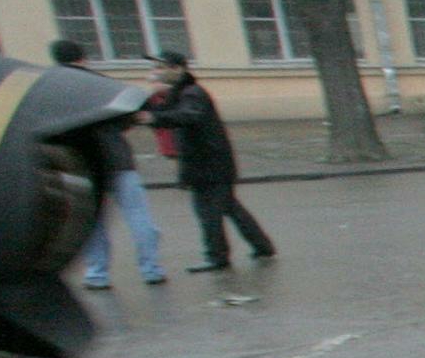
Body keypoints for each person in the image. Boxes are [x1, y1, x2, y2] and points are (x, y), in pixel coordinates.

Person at [54, 40, 165, 291]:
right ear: (83, 58)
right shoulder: (102, 83)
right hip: (118, 159)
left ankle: (97, 274)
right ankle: (151, 269)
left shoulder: (52, 87)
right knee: (138, 216)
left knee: (93, 222)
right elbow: (136, 110)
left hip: (82, 162)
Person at [149, 52, 274, 273]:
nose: (156, 72)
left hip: (209, 165)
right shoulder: (179, 93)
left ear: (178, 68)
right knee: (230, 208)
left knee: (208, 212)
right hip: (208, 164)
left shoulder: (192, 93)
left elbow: (188, 116)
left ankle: (217, 257)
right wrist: (152, 105)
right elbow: (168, 113)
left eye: (161, 67)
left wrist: (153, 117)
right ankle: (262, 246)